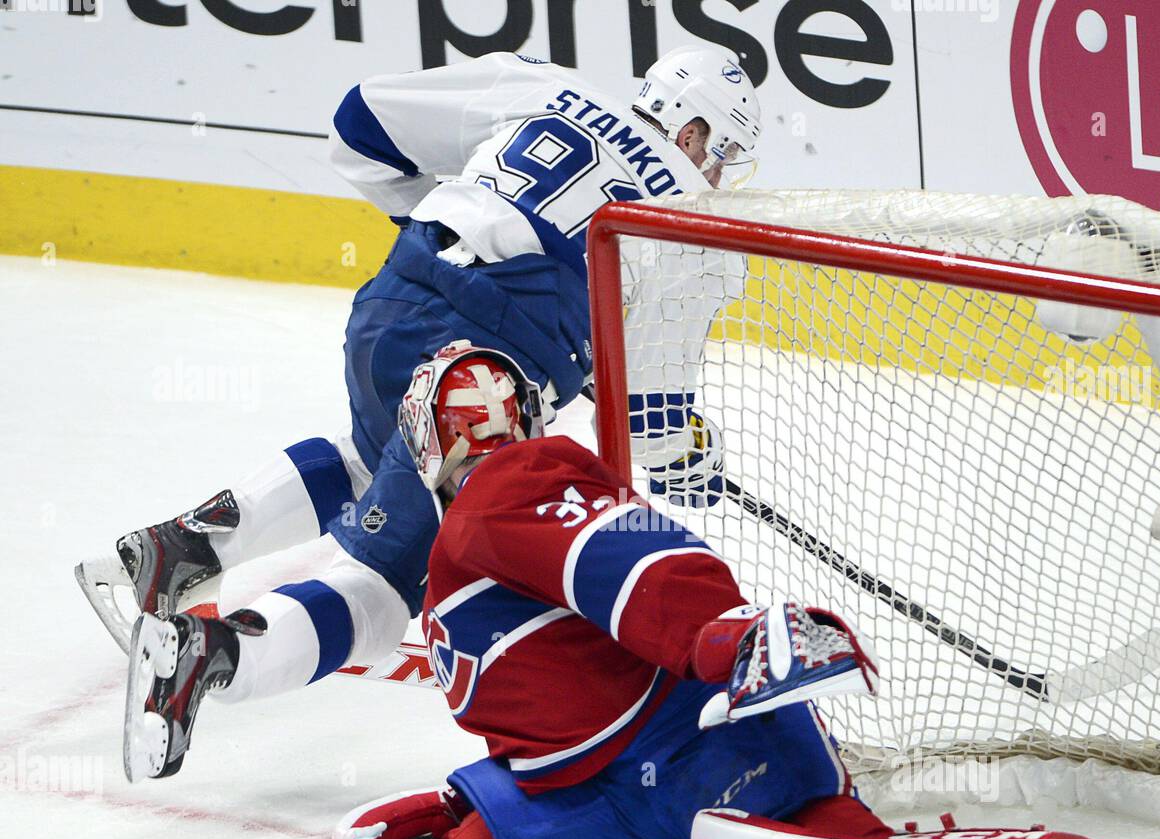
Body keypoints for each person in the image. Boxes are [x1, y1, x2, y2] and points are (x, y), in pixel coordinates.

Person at [329, 342, 1160, 839]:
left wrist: (724, 636)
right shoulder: (480, 532)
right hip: (611, 789)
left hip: (701, 749)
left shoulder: (507, 489)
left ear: (424, 443)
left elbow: (621, 554)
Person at [86, 45, 761, 779]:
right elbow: (647, 421)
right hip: (479, 374)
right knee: (385, 593)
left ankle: (183, 546)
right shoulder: (694, 230)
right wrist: (695, 465)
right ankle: (212, 655)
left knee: (373, 459)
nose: (717, 175)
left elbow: (360, 125)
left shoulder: (546, 87)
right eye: (721, 153)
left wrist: (452, 231)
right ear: (694, 134)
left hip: (393, 301)